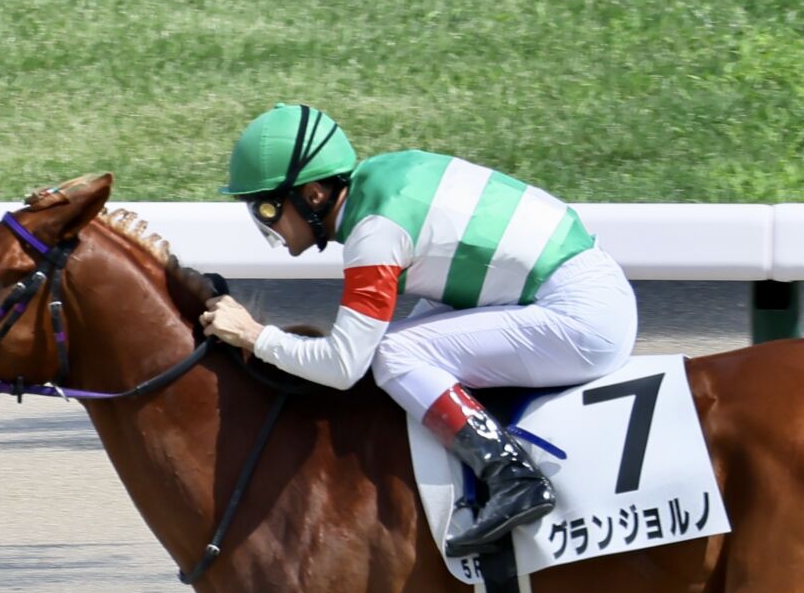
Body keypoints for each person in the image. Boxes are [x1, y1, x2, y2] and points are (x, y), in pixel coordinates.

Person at [200, 104, 638, 557]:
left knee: (394, 355)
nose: (266, 224)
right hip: (587, 291)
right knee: (404, 347)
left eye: (268, 207)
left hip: (582, 318)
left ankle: (511, 476)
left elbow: (345, 365)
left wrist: (254, 334)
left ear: (313, 195)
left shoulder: (375, 232)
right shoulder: (385, 179)